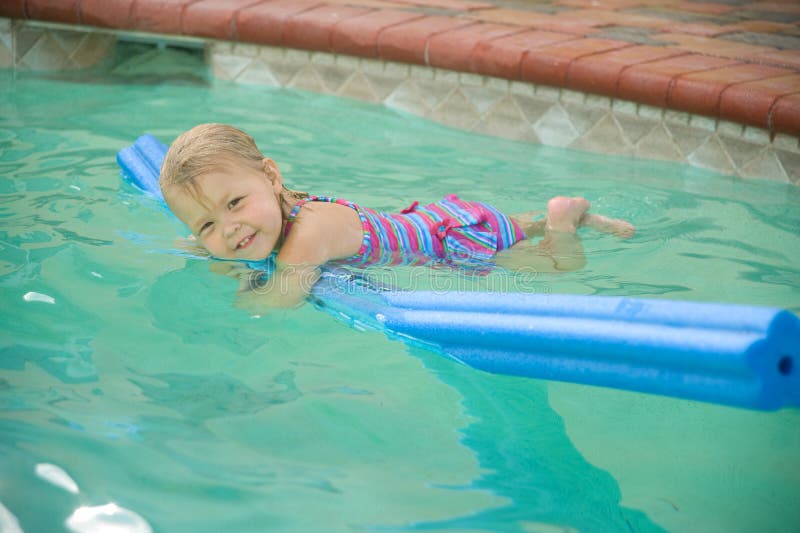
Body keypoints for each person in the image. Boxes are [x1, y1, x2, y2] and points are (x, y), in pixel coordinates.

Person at [159, 123, 634, 308]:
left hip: (451, 243)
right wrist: (208, 248)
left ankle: (562, 223)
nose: (229, 228)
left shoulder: (306, 235)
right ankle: (563, 216)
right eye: (206, 225)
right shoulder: (286, 213)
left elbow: (277, 302)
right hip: (440, 219)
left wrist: (233, 292)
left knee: (557, 264)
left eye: (234, 204)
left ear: (271, 176)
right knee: (509, 226)